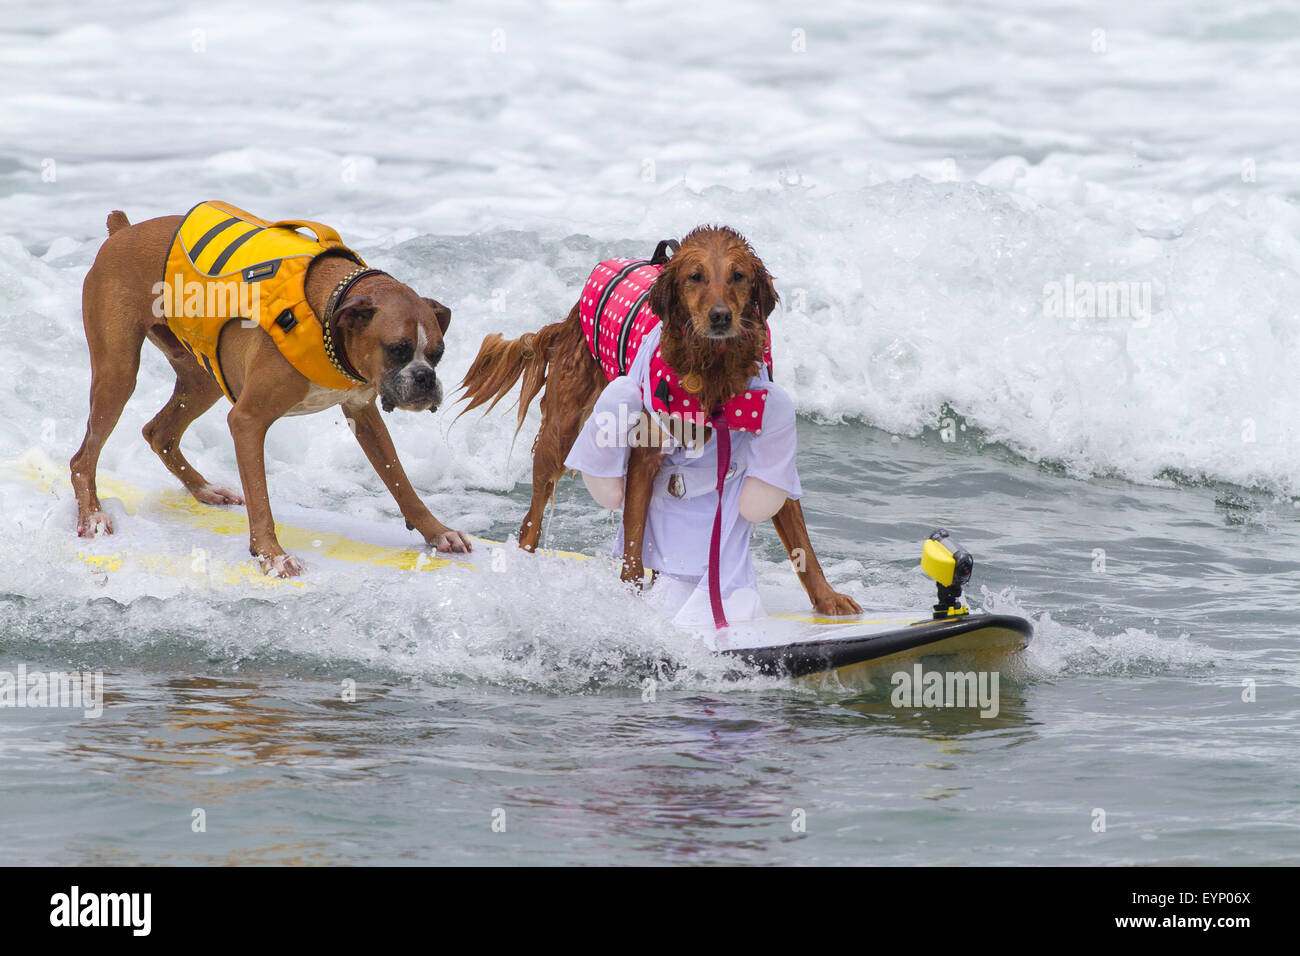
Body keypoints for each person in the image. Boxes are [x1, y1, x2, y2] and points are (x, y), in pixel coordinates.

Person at [564, 322, 801, 629]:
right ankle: (532, 535)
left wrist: (816, 586)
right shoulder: (658, 383)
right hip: (641, 431)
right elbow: (644, 463)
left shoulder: (763, 395)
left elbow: (777, 482)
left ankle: (683, 582)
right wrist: (631, 572)